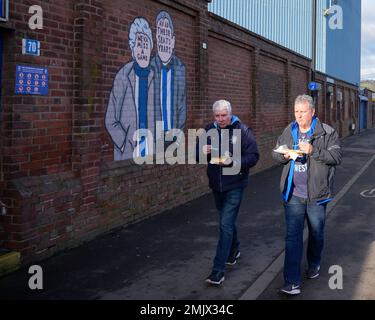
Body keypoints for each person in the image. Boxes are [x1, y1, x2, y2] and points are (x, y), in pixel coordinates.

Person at [272, 94, 342, 295]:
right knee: (292, 237)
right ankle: (291, 282)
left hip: (317, 195)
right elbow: (275, 153)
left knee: (316, 233)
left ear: (313, 112)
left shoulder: (327, 132)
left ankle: (314, 262)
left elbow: (336, 157)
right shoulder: (290, 130)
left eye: (303, 112)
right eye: (296, 112)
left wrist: (313, 150)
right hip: (293, 194)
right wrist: (283, 155)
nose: (299, 116)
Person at [197, 100, 259, 285]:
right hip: (216, 186)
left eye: (224, 115)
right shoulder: (208, 130)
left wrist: (232, 161)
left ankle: (218, 270)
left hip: (235, 184)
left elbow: (254, 156)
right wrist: (202, 150)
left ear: (230, 114)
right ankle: (234, 251)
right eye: (217, 116)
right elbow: (198, 155)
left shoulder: (243, 130)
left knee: (225, 224)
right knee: (227, 222)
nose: (221, 119)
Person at [105, 17, 155, 160]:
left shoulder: (155, 76)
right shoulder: (123, 76)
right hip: (127, 150)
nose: (142, 50)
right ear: (132, 49)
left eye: (146, 44)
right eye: (139, 45)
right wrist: (124, 143)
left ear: (151, 48)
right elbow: (110, 119)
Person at [150, 11, 186, 149]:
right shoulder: (150, 67)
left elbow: (182, 104)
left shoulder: (180, 68)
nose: (162, 40)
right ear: (157, 39)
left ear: (172, 41)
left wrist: (178, 132)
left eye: (166, 36)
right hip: (154, 133)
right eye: (160, 36)